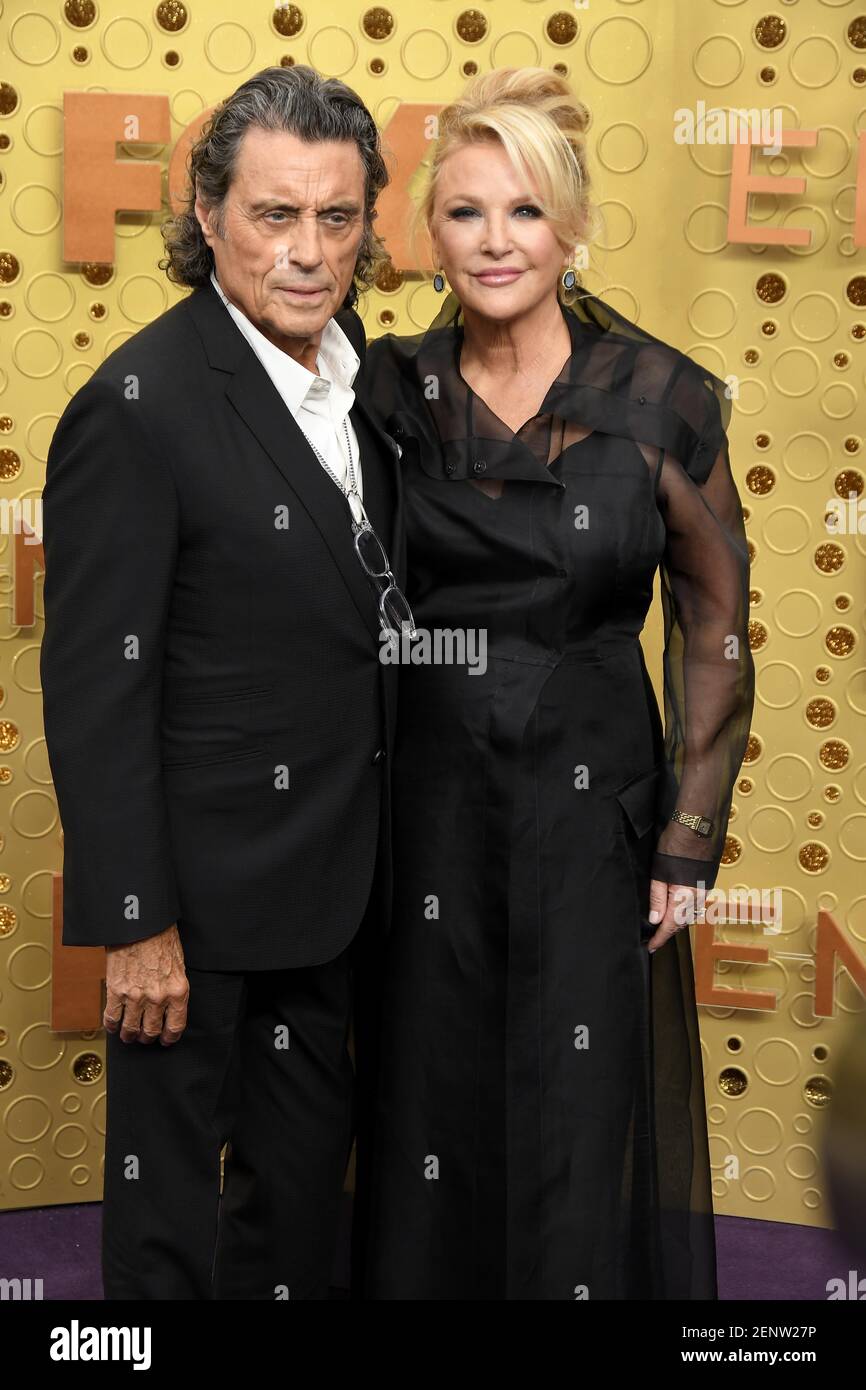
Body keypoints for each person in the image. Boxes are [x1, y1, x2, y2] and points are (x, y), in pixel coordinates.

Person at [356, 67, 756, 1299]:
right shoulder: (387, 388)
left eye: (524, 212)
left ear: (571, 229)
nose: (494, 242)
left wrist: (684, 843)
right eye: (465, 211)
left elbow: (714, 623)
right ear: (430, 230)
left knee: (576, 1102)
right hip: (421, 796)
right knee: (427, 1091)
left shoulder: (660, 396)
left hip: (593, 801)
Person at [40, 64, 407, 1300]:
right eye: (273, 214)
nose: (308, 252)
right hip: (190, 913)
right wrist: (136, 922)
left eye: (337, 217)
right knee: (171, 1228)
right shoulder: (138, 405)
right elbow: (96, 688)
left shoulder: (359, 375)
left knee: (298, 1209)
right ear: (206, 216)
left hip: (332, 886)